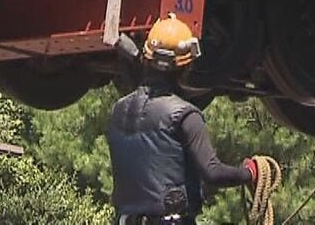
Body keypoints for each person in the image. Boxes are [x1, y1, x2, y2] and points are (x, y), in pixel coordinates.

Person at [107, 13, 259, 224]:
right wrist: (249, 173)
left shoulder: (118, 111)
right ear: (187, 66)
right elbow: (213, 173)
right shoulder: (185, 115)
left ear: (147, 57)